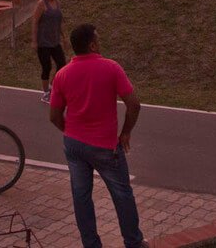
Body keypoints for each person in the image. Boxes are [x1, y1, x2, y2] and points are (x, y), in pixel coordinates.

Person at [49, 24, 146, 248]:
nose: (99, 42)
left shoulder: (62, 74)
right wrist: (126, 133)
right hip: (106, 147)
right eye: (98, 39)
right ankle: (134, 242)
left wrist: (71, 132)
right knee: (122, 194)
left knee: (81, 196)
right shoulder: (111, 68)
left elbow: (54, 116)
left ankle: (91, 245)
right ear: (92, 44)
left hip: (74, 146)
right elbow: (134, 105)